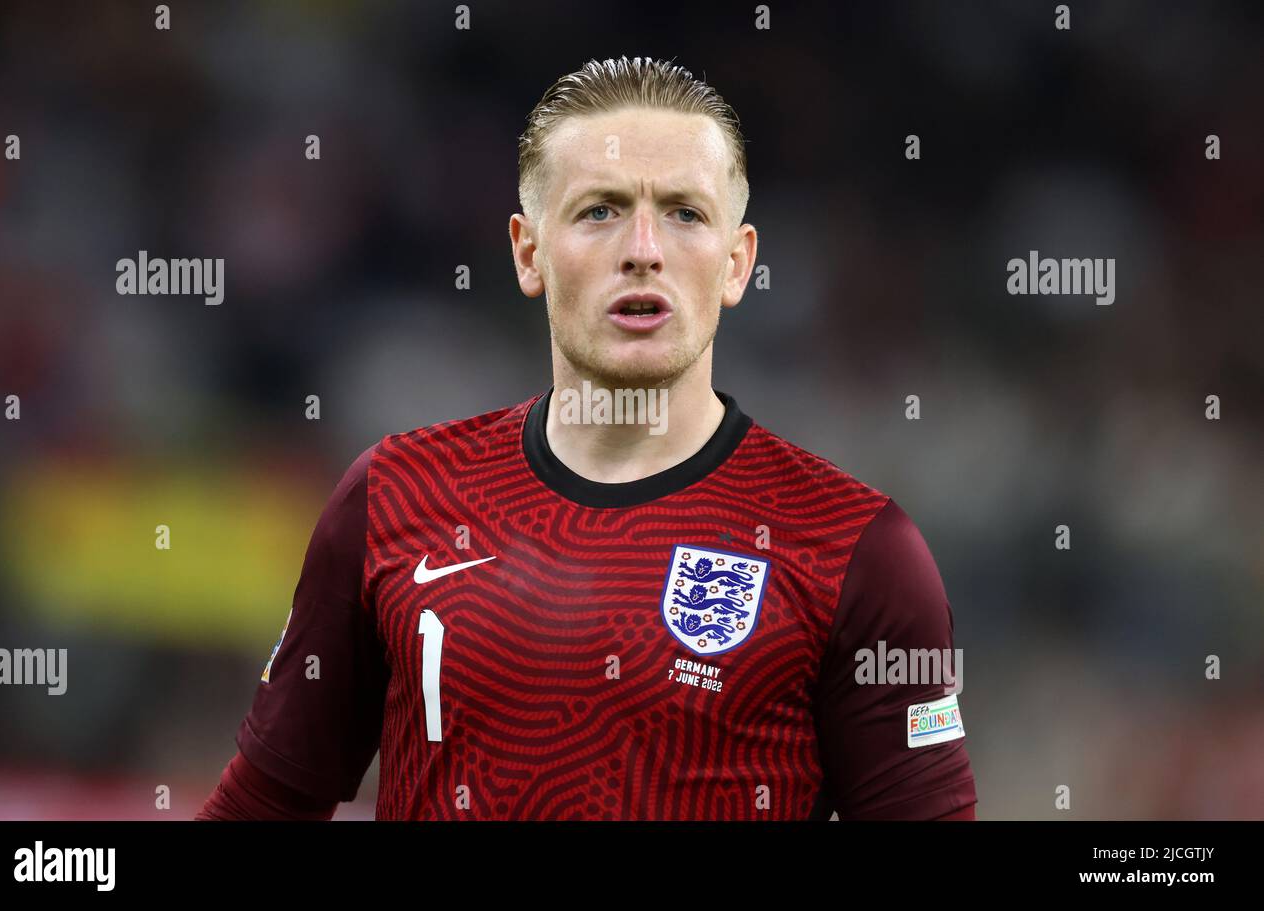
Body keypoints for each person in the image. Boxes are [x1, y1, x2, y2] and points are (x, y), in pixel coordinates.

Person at [197, 56, 976, 821]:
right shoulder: (396, 492)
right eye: (599, 209)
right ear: (528, 252)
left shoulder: (855, 547)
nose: (642, 248)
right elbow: (266, 804)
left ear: (738, 264)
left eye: (684, 212)